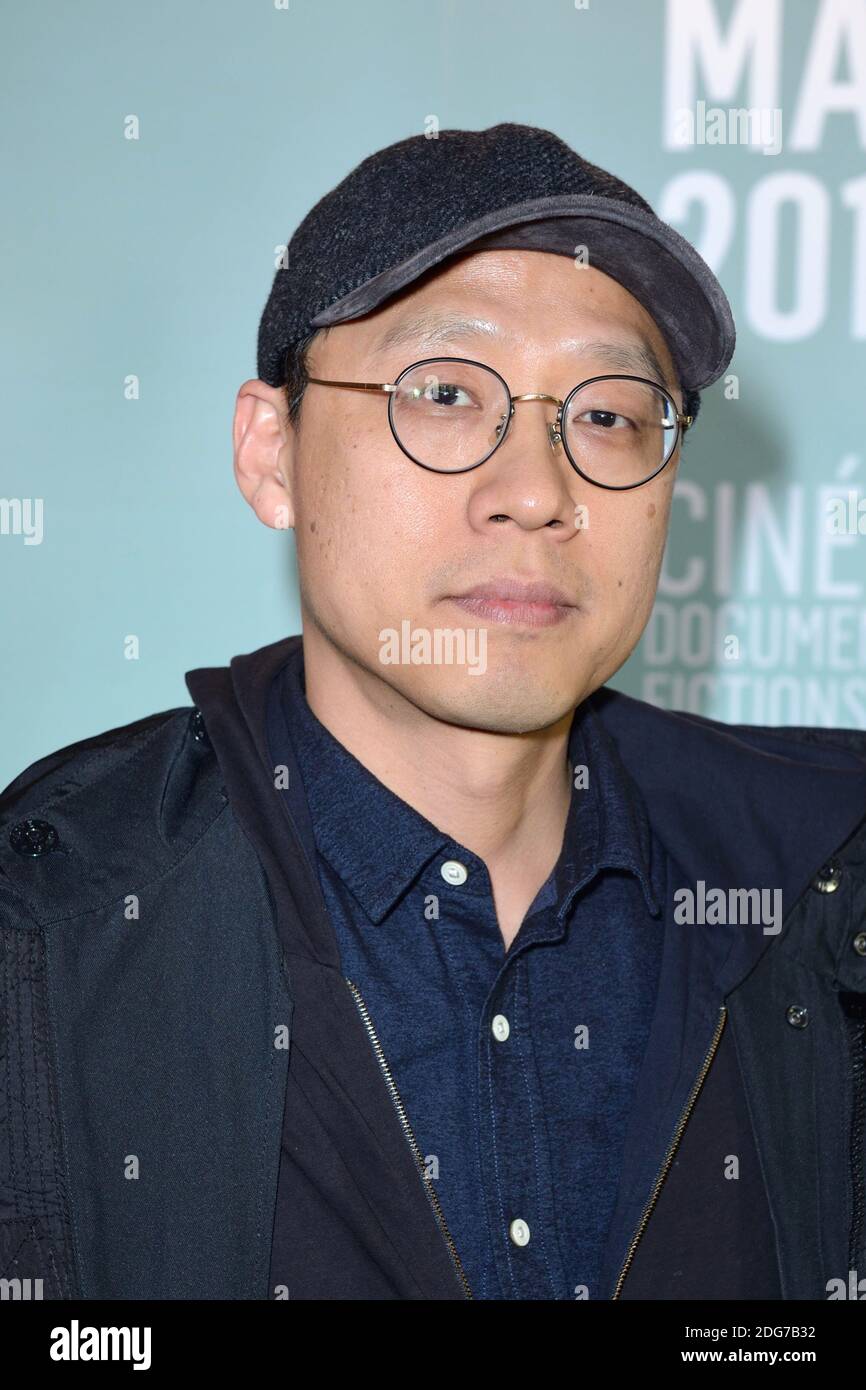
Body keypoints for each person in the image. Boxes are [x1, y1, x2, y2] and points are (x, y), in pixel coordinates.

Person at [2, 123, 865, 1302]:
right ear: (272, 453)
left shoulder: (822, 882)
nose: (534, 492)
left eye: (608, 414)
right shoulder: (54, 918)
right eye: (448, 393)